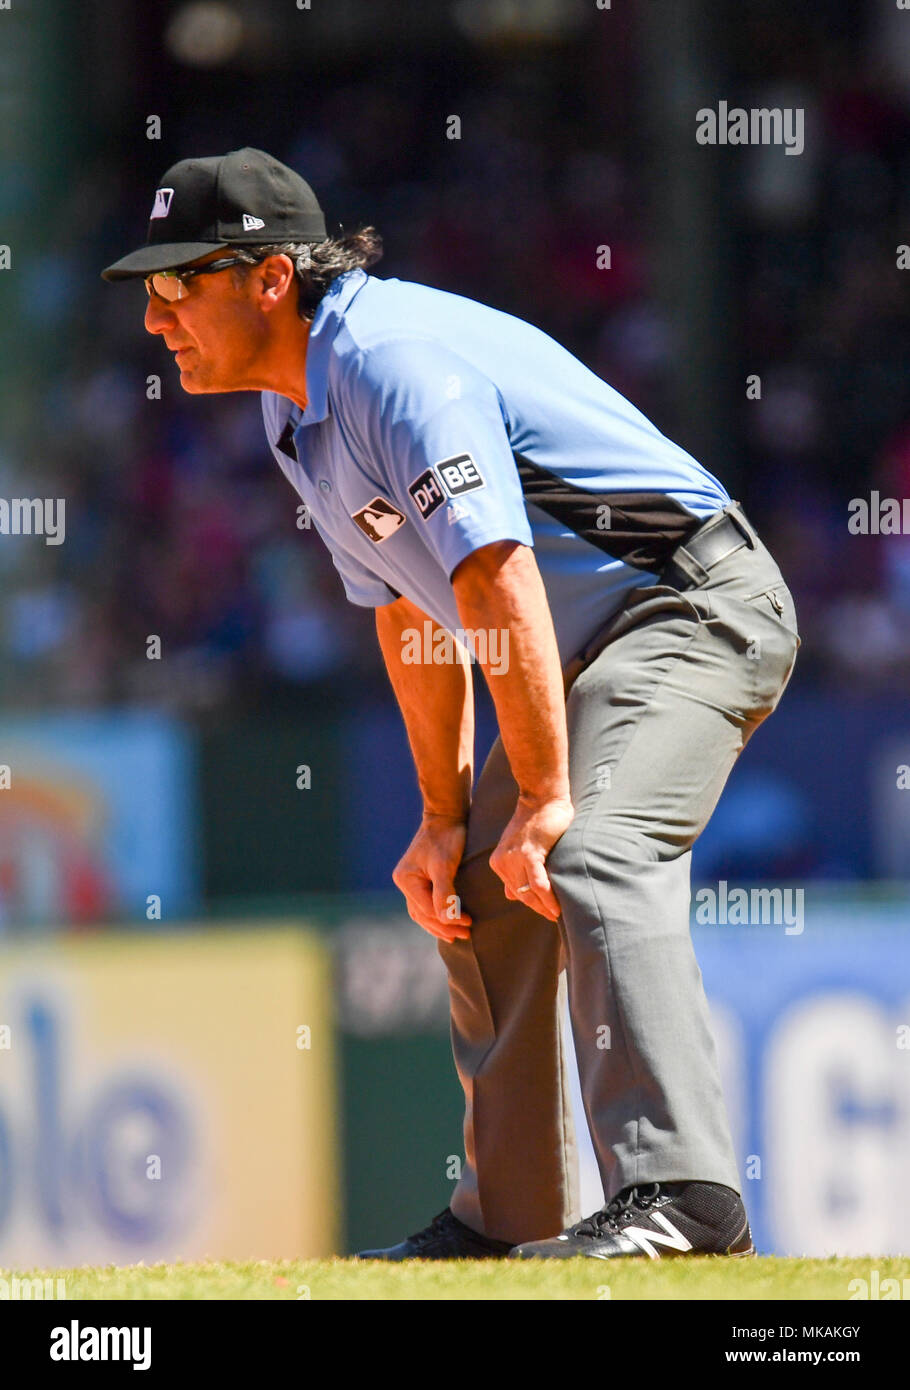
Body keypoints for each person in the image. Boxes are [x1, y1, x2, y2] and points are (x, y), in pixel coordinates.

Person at [103, 147, 800, 1261]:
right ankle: (504, 1221)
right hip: (585, 649)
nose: (156, 319)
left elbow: (495, 576)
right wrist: (443, 814)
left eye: (180, 284)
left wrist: (547, 791)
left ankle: (685, 1199)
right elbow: (410, 610)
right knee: (479, 876)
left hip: (690, 605)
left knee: (593, 848)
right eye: (150, 292)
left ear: (271, 278)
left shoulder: (390, 363)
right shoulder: (296, 412)